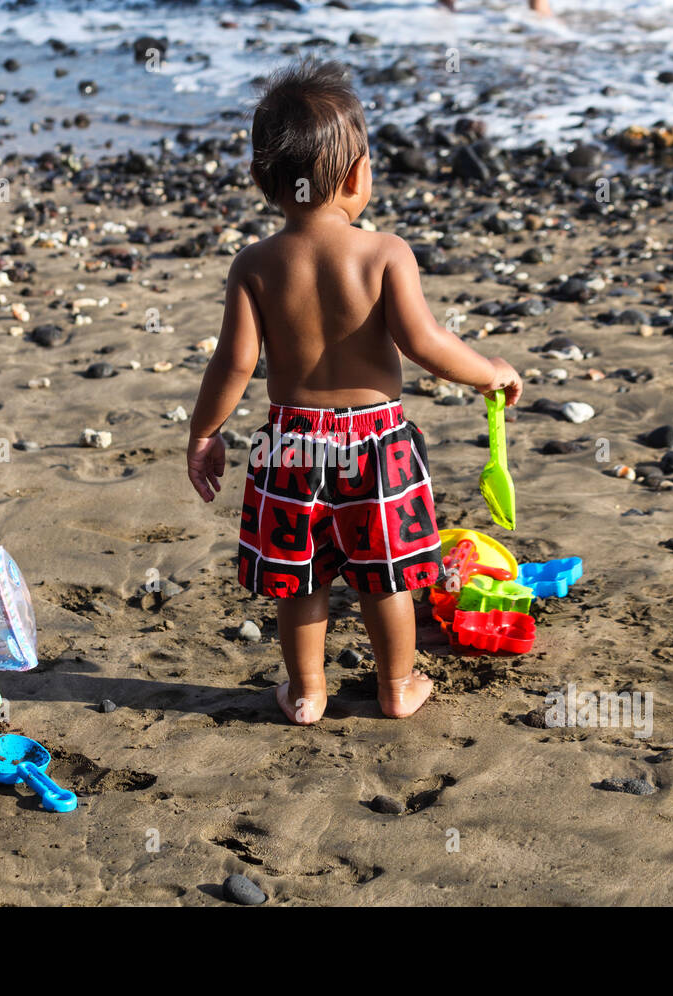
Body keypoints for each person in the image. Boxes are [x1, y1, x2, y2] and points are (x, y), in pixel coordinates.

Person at [186, 58, 522, 726]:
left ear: (263, 180)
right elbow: (425, 342)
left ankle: (307, 692)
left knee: (302, 579)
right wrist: (490, 370)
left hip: (291, 444)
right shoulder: (384, 253)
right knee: (384, 577)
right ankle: (398, 686)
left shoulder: (255, 265)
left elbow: (235, 362)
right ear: (358, 175)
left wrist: (204, 432)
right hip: (377, 447)